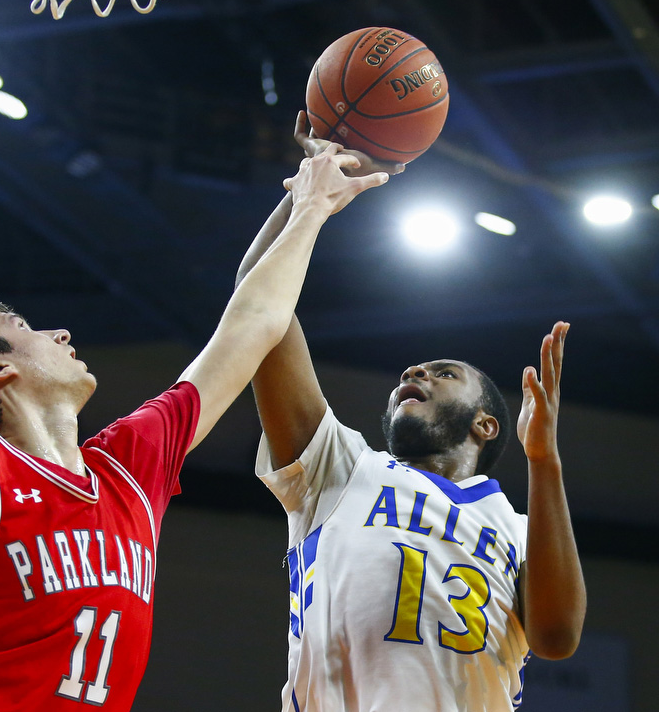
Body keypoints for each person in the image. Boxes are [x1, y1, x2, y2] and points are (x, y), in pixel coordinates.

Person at [0, 140, 389, 712]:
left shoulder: (128, 468)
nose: (60, 333)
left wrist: (312, 196)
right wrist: (308, 208)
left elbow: (253, 324)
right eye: (28, 329)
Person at [235, 114, 586, 712]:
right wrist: (310, 191)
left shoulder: (522, 529)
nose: (413, 374)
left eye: (443, 373)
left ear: (485, 424)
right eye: (411, 373)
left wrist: (544, 461)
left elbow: (556, 640)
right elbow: (258, 299)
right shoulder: (338, 468)